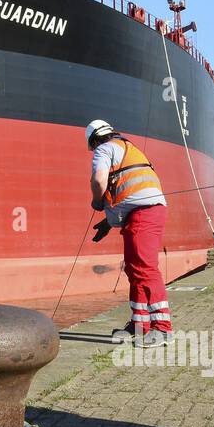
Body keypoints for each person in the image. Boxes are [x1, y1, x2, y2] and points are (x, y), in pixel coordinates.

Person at [86, 120, 171, 346]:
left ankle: (162, 329)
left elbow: (99, 180)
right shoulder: (127, 148)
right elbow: (130, 192)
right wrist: (107, 222)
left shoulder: (104, 149)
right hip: (143, 212)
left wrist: (97, 202)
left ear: (94, 140)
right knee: (134, 268)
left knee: (145, 269)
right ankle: (139, 324)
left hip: (143, 213)